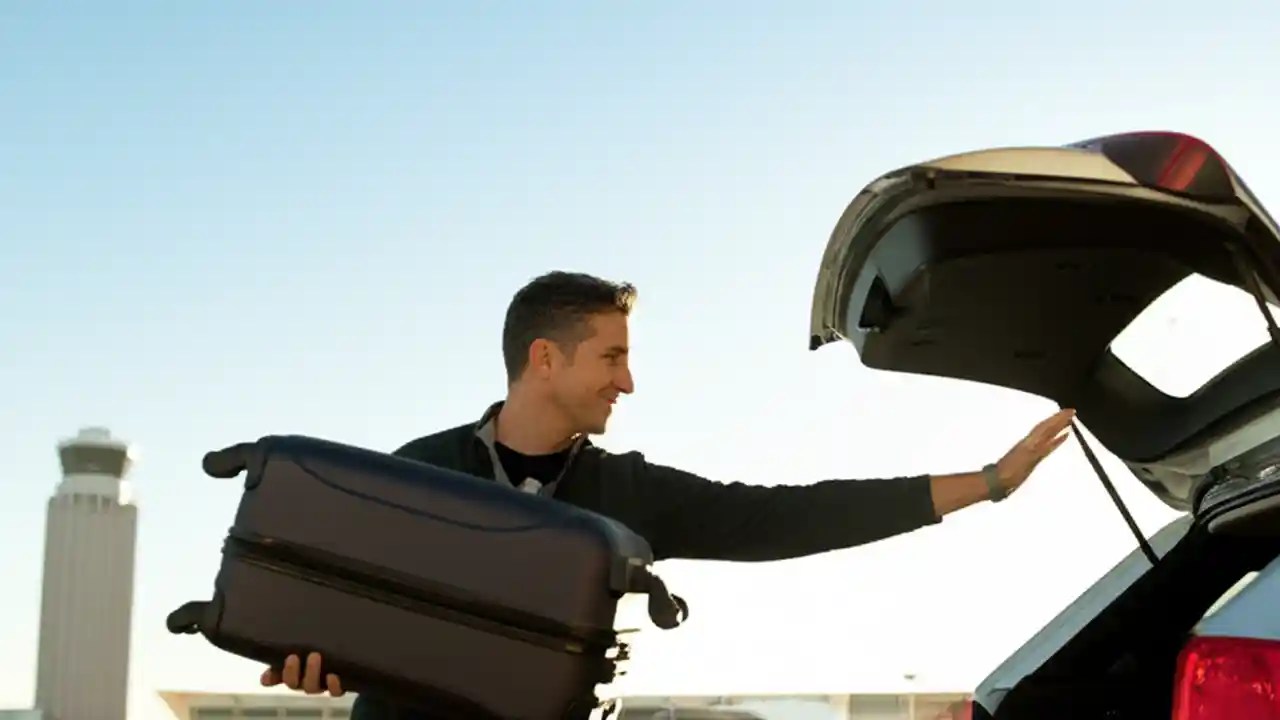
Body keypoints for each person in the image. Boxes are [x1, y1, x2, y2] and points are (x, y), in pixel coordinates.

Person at [259, 271, 1075, 715]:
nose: (630, 381)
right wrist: (313, 664)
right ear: (546, 359)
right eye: (611, 358)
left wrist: (990, 484)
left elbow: (788, 515)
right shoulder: (416, 472)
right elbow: (340, 608)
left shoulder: (628, 493)